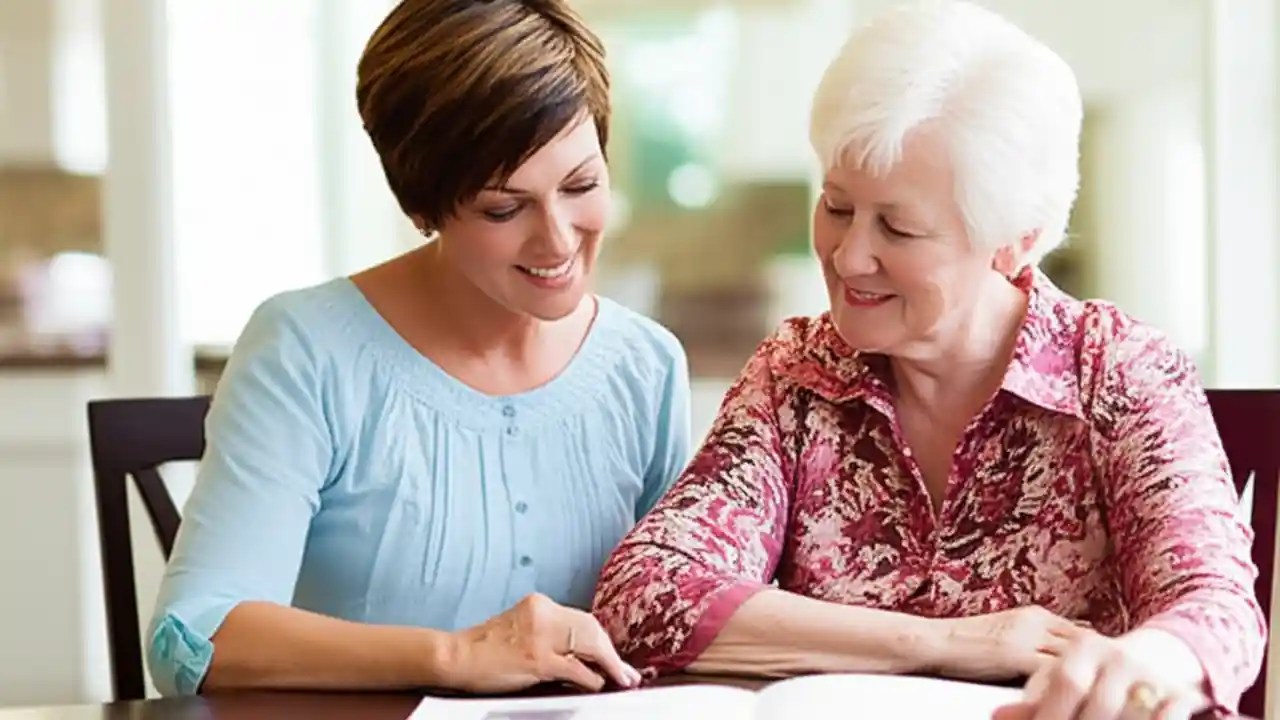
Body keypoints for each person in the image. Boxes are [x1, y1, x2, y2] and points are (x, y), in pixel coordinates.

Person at [591, 2, 1265, 719]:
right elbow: (647, 591)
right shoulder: (795, 374)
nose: (850, 256)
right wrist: (949, 643)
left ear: (1014, 240)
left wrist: (1151, 659)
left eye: (899, 227)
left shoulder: (1118, 372)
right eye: (838, 206)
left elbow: (1214, 608)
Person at [147, 0, 690, 697]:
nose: (558, 240)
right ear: (422, 206)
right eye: (504, 208)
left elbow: (677, 610)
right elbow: (193, 640)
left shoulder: (646, 366)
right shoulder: (306, 351)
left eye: (581, 185)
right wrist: (455, 656)